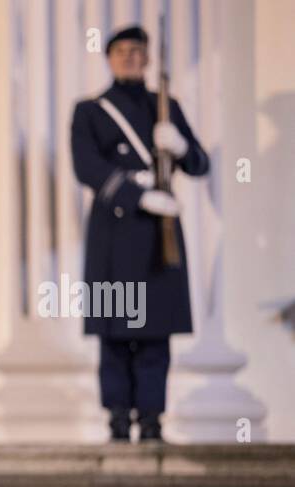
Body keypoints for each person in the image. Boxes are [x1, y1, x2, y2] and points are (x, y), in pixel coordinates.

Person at [71, 24, 210, 442]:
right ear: (109, 58)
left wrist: (182, 146)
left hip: (157, 234)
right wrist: (138, 196)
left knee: (155, 333)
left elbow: (200, 165)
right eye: (122, 51)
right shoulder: (91, 110)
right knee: (114, 333)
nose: (131, 57)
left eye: (138, 51)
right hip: (113, 234)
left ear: (148, 58)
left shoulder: (166, 106)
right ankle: (117, 419)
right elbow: (87, 167)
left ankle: (151, 420)